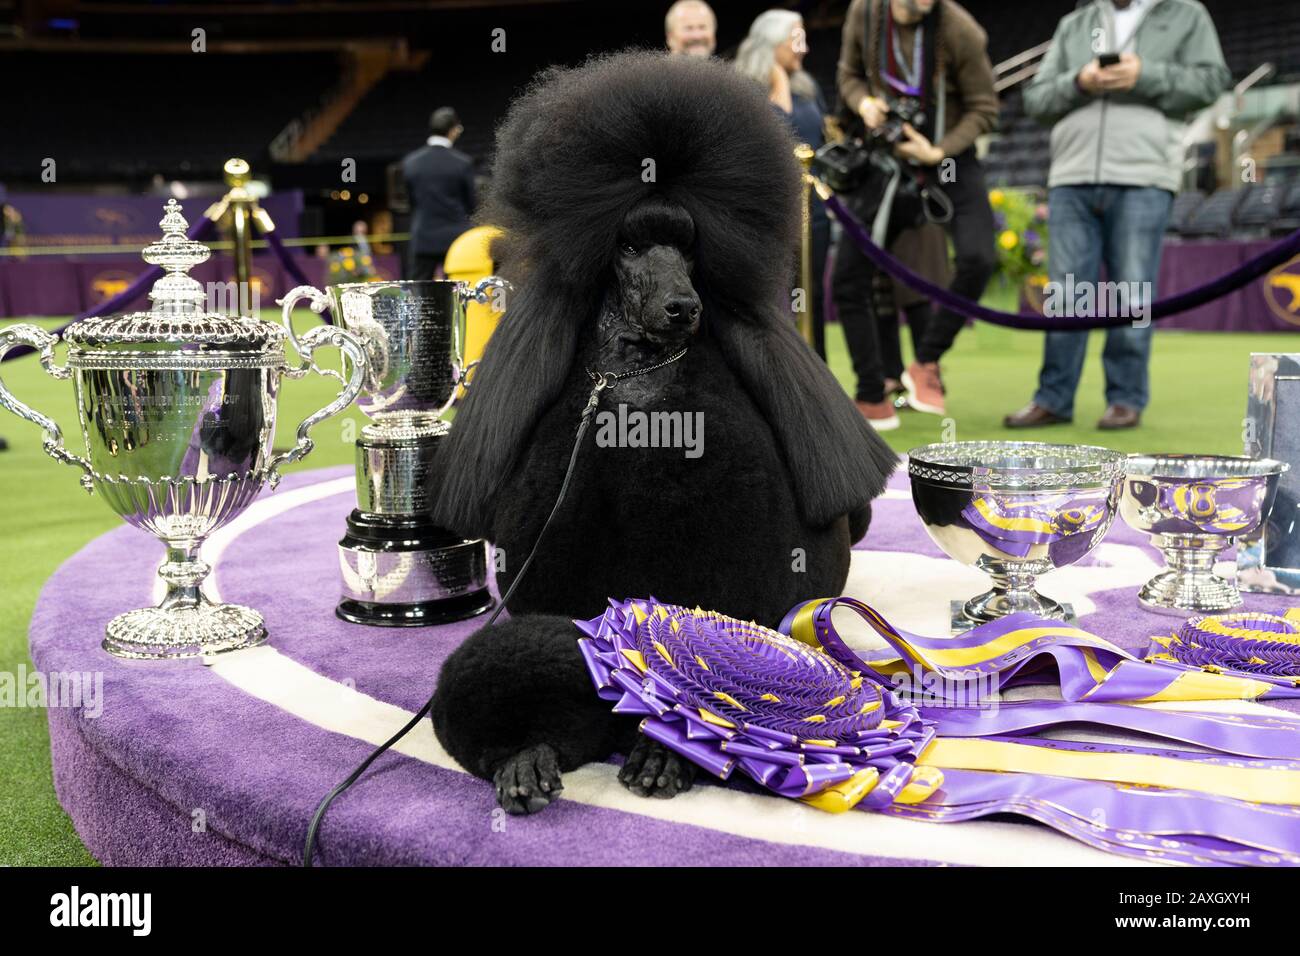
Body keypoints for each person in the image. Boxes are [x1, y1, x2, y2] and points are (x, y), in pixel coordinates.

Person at [1004, 0, 1229, 431]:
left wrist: (1146, 75)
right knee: (1067, 296)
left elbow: (1211, 81)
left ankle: (1125, 398)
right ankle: (1054, 397)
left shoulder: (1186, 14)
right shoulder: (1075, 22)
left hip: (1143, 174)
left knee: (1132, 295)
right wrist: (1080, 81)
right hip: (1071, 175)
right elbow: (1037, 98)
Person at [834, 0, 998, 429]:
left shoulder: (961, 28)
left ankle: (926, 361)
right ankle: (873, 395)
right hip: (888, 160)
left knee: (979, 257)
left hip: (948, 158)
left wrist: (939, 150)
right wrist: (864, 102)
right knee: (849, 277)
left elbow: (985, 108)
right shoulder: (864, 14)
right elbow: (848, 75)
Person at [736, 9, 831, 357]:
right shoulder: (745, 91)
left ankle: (818, 374)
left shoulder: (808, 88)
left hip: (815, 213)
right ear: (771, 43)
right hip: (767, 215)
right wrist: (776, 80)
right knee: (769, 301)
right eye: (795, 39)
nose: (803, 48)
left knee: (813, 298)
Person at [401, 107, 476, 281]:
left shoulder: (411, 162)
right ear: (453, 129)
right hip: (456, 240)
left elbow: (411, 202)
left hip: (423, 237)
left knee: (419, 293)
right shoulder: (463, 163)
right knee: (458, 292)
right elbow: (471, 205)